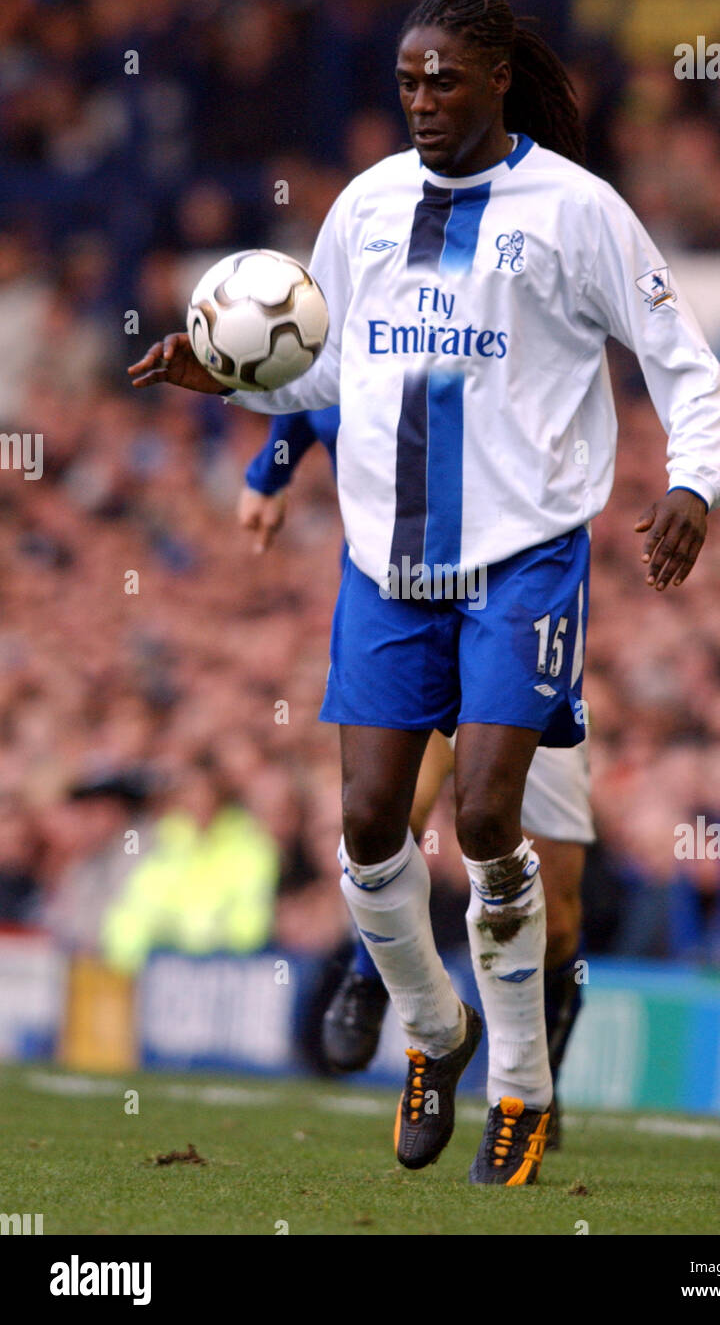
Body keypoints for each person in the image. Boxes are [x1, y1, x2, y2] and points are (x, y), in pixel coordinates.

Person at [130, 0, 720, 1186]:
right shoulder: (363, 205)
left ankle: (516, 1085)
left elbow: (682, 362)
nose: (419, 100)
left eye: (443, 80)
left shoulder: (574, 209)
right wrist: (228, 384)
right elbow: (325, 372)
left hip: (523, 561)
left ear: (498, 79)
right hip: (384, 565)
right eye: (406, 80)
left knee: (483, 818)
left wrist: (693, 487)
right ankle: (429, 1024)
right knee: (364, 827)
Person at [239, 410, 593, 1149]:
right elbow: (315, 371)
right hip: (413, 597)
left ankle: (535, 1078)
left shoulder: (513, 324)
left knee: (555, 908)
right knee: (382, 813)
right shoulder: (374, 316)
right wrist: (269, 469)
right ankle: (394, 990)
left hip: (520, 603)